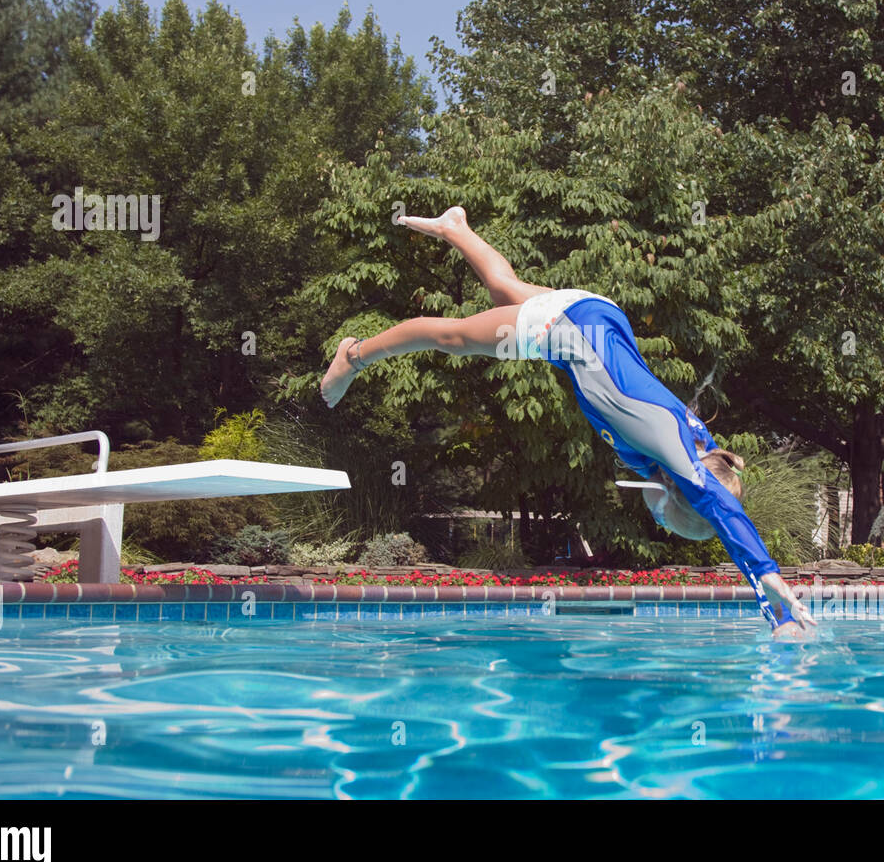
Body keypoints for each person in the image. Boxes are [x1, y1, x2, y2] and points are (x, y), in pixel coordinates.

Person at [320, 207, 815, 635]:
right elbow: (717, 504)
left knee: (504, 289)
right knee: (453, 338)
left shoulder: (685, 446)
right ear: (672, 493)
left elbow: (714, 493)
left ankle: (456, 228)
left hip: (596, 317)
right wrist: (767, 580)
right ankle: (355, 355)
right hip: (568, 329)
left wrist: (780, 621)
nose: (656, 518)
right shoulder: (664, 441)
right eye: (665, 518)